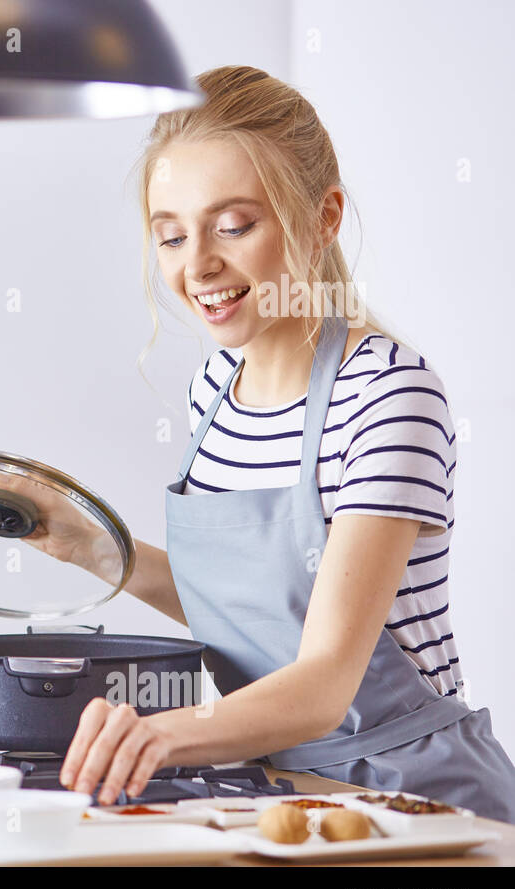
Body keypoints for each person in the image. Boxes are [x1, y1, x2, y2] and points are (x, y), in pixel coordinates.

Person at [45, 66, 515, 822]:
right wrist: (94, 548)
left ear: (322, 216)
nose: (196, 264)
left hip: (422, 808)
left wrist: (160, 736)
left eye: (233, 226)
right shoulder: (213, 391)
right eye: (170, 234)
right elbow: (254, 614)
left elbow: (325, 679)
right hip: (285, 797)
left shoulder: (389, 394)